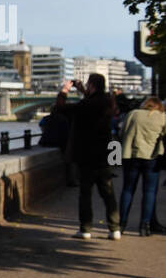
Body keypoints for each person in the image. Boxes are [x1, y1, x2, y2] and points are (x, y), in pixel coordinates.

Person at [53, 73, 121, 239]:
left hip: (86, 155)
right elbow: (94, 101)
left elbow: (60, 108)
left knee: (85, 193)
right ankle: (115, 229)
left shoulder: (86, 105)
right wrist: (83, 90)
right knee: (108, 193)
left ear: (92, 85)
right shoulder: (107, 102)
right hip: (105, 154)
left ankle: (85, 229)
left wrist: (64, 90)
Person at [118, 96, 165, 235]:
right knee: (149, 192)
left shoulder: (133, 114)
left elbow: (122, 132)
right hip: (152, 157)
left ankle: (122, 224)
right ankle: (144, 226)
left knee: (128, 190)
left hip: (131, 155)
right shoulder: (162, 117)